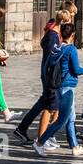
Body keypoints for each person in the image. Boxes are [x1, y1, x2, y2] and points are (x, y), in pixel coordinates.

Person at [33, 22, 83, 156]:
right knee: (62, 119)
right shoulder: (71, 49)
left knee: (70, 118)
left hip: (59, 85)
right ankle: (40, 142)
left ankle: (75, 146)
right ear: (72, 35)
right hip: (68, 87)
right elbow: (76, 69)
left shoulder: (58, 48)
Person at [14, 11, 68, 147]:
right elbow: (52, 57)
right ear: (62, 23)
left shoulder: (52, 35)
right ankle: (42, 138)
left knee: (43, 103)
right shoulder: (52, 36)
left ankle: (22, 128)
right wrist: (64, 50)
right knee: (51, 107)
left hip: (49, 75)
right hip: (51, 76)